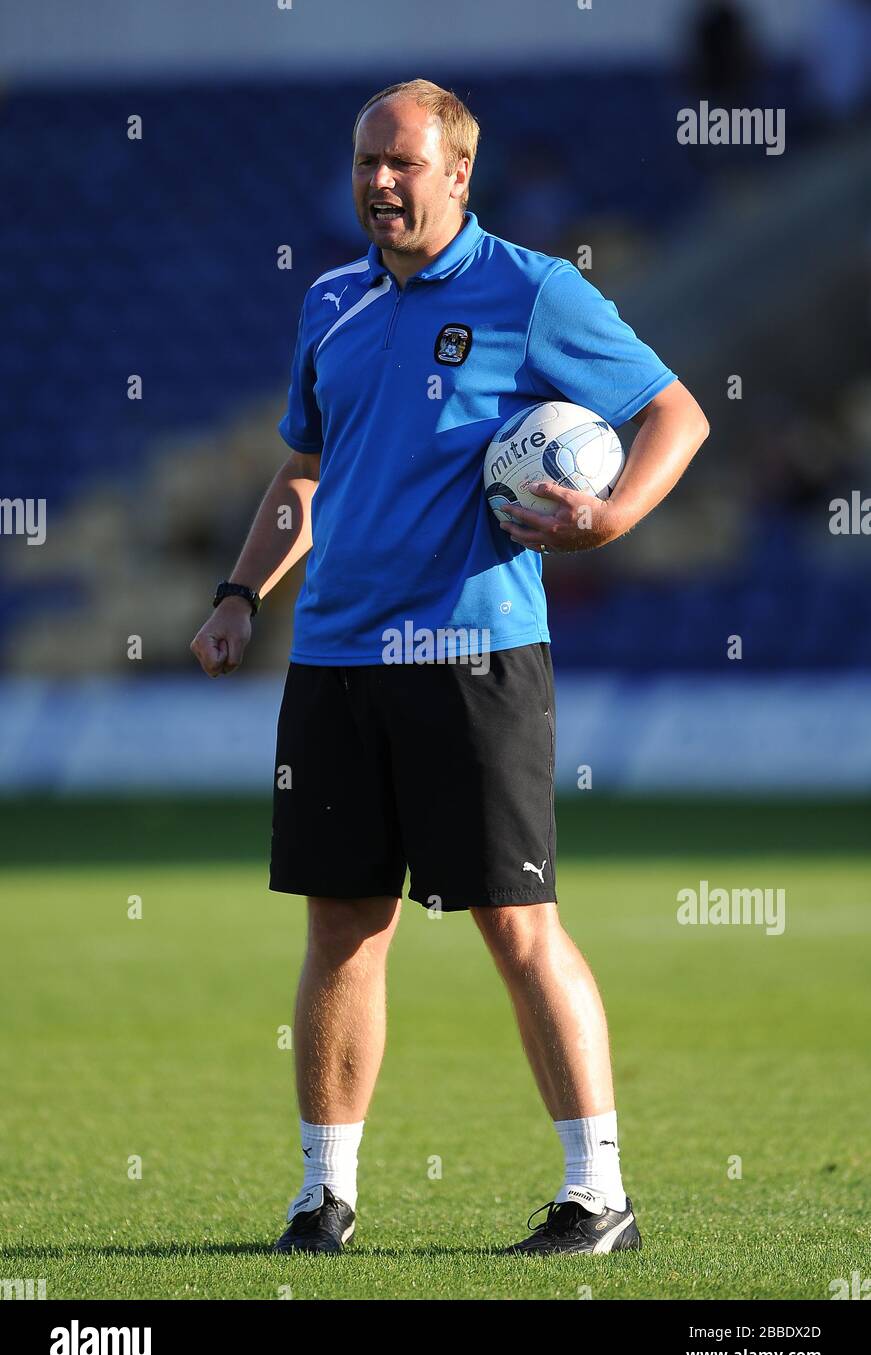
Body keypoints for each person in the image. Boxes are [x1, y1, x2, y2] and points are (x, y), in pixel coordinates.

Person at [190, 78, 709, 1257]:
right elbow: (303, 477)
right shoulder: (329, 300)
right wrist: (236, 597)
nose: (378, 180)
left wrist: (613, 516)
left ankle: (598, 1193)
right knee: (342, 930)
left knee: (517, 923)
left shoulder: (534, 290)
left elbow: (677, 414)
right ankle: (323, 1198)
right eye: (366, 160)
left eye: (402, 163)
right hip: (332, 658)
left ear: (458, 172)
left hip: (474, 656)